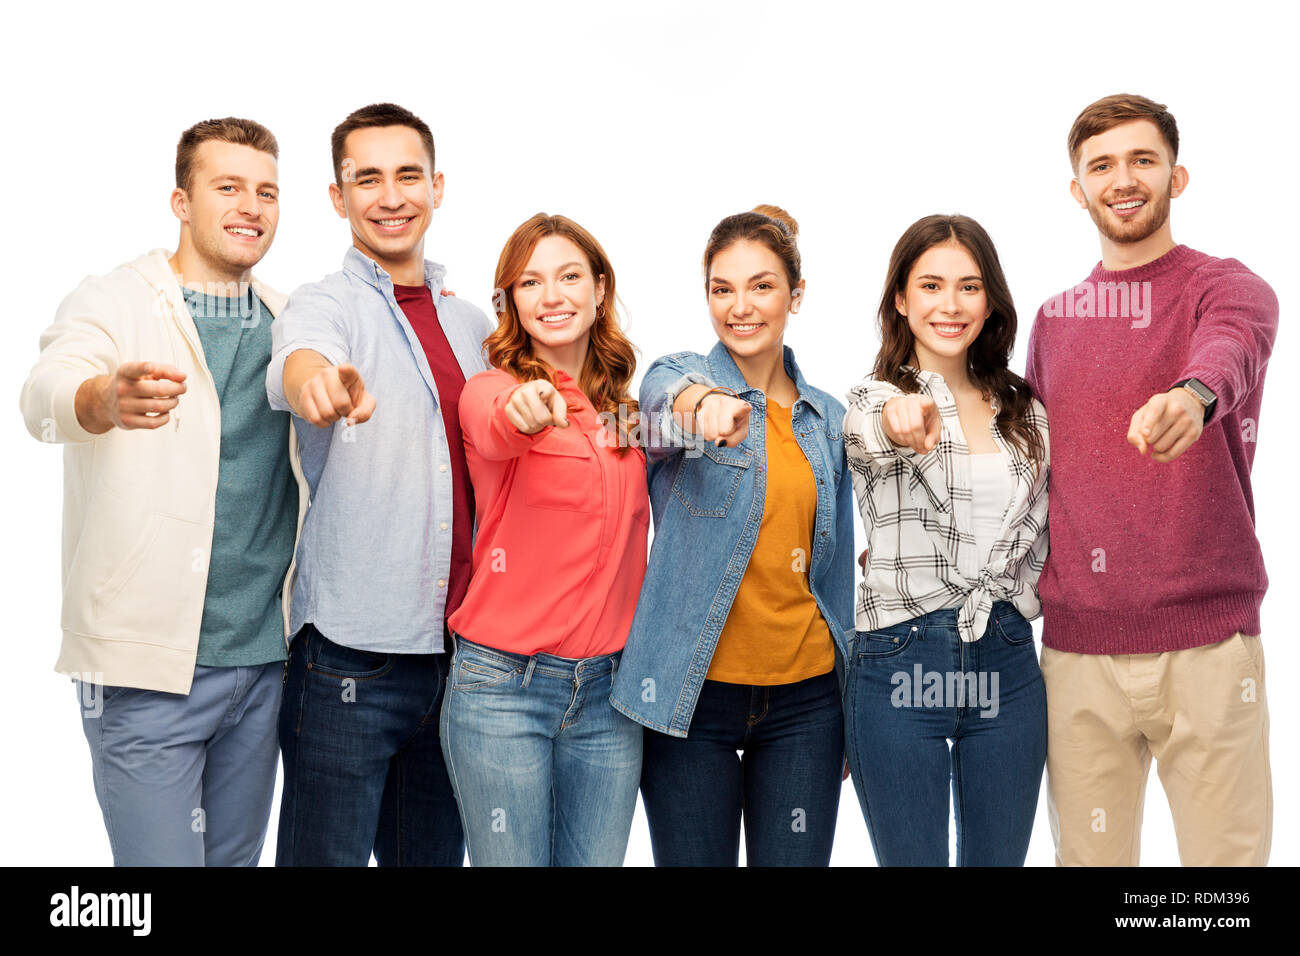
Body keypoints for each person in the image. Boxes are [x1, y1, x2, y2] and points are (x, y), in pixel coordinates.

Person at [19, 117, 308, 866]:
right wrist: (100, 401)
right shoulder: (113, 299)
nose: (252, 206)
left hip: (262, 666)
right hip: (145, 676)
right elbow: (44, 394)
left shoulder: (293, 320)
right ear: (181, 201)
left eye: (266, 191)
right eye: (228, 187)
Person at [1026, 94, 1277, 866]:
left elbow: (1229, 351)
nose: (1123, 179)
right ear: (1078, 189)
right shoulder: (1053, 320)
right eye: (1101, 165)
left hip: (1208, 649)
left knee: (1223, 886)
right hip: (1076, 654)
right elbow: (1030, 471)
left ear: (1178, 176)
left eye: (1143, 160)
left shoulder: (1227, 288)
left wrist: (1191, 397)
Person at [267, 103, 492, 867]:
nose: (389, 196)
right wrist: (320, 387)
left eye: (407, 175)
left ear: (437, 186)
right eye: (367, 178)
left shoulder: (474, 327)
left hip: (463, 657)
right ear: (338, 197)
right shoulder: (325, 302)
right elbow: (302, 360)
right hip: (348, 661)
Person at [610, 205, 854, 866]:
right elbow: (661, 415)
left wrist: (851, 704)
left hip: (807, 702)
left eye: (761, 286)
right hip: (691, 699)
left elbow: (835, 574)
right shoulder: (676, 373)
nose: (739, 307)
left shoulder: (827, 419)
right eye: (722, 289)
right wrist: (709, 408)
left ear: (795, 296)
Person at [440, 213, 648, 867]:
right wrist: (525, 410)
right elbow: (499, 422)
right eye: (530, 282)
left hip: (609, 699)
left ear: (599, 289)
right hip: (502, 691)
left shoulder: (627, 415)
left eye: (567, 277)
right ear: (510, 301)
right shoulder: (492, 389)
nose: (551, 296)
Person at [841, 214, 1049, 867]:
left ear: (990, 302)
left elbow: (1045, 533)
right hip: (901, 660)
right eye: (930, 286)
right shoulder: (872, 399)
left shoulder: (1026, 409)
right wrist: (904, 418)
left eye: (969, 286)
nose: (950, 305)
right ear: (901, 300)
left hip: (1010, 661)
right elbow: (872, 433)